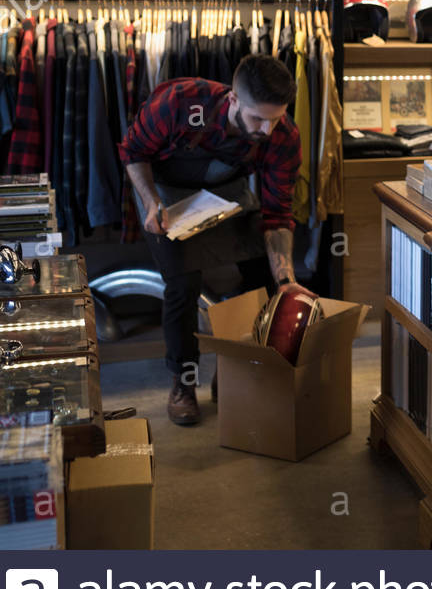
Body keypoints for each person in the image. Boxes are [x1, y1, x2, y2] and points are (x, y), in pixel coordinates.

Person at [119, 54, 305, 425]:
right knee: (183, 281)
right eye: (258, 119)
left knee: (263, 273)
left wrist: (287, 280)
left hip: (228, 190)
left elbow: (277, 214)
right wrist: (151, 201)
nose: (268, 130)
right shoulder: (178, 103)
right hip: (167, 192)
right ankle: (183, 382)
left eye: (276, 118)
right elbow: (133, 152)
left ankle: (238, 364)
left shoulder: (283, 135)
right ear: (233, 100)